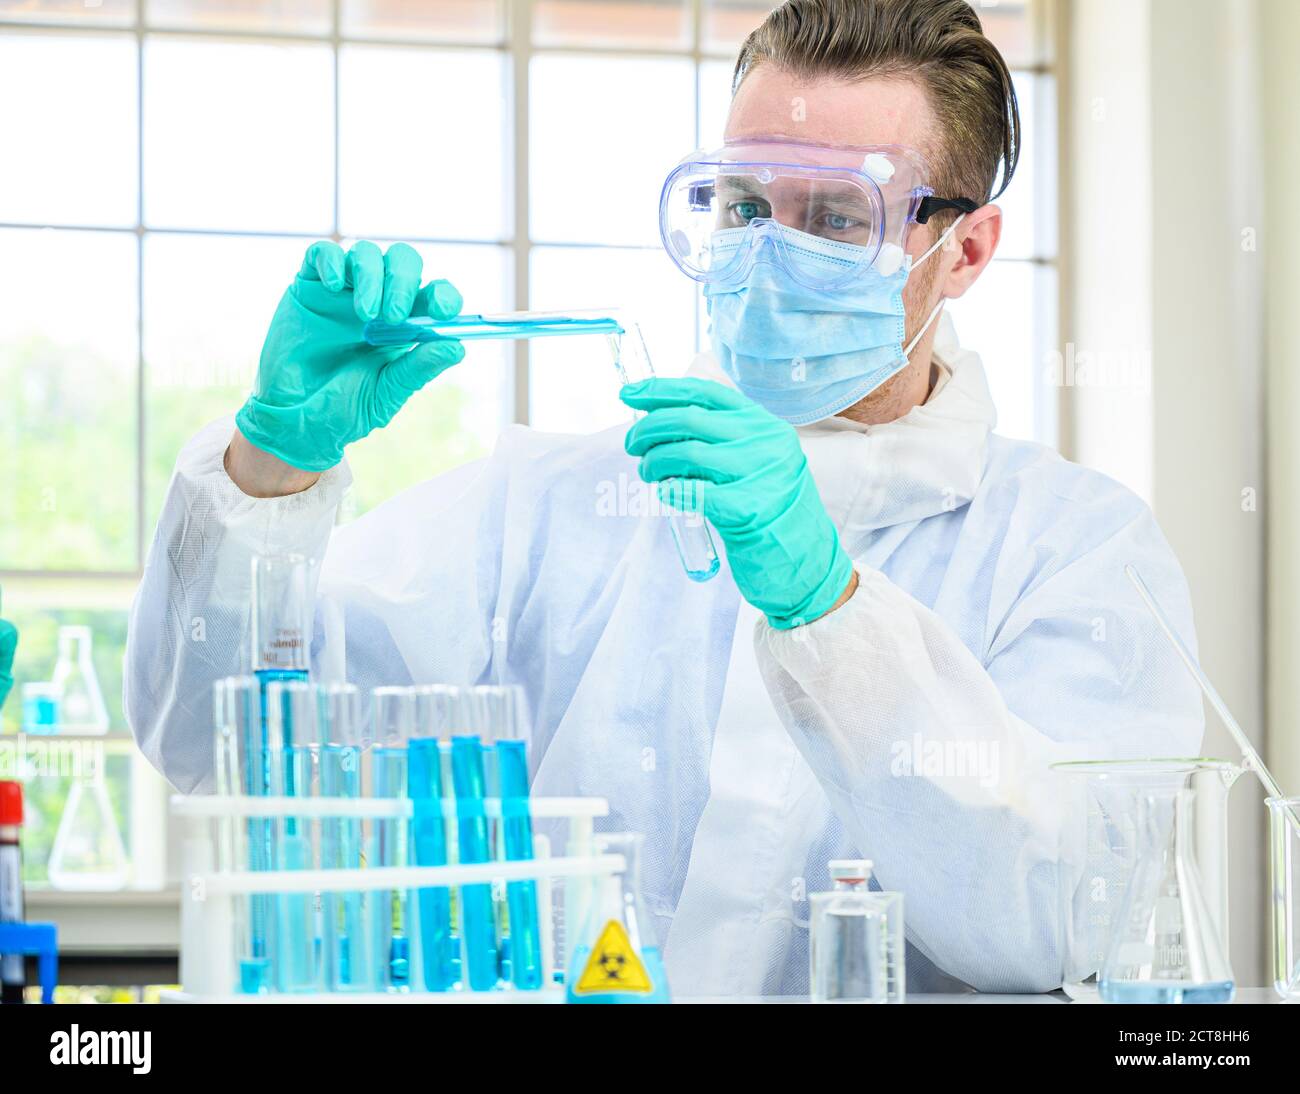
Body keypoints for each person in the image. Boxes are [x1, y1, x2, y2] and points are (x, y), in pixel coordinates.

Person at [125, 0, 1201, 995]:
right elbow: (226, 749)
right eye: (739, 204)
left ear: (962, 248)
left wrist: (830, 608)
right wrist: (270, 466)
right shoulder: (548, 508)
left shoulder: (1072, 548)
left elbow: (1066, 913)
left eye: (833, 218)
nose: (763, 255)